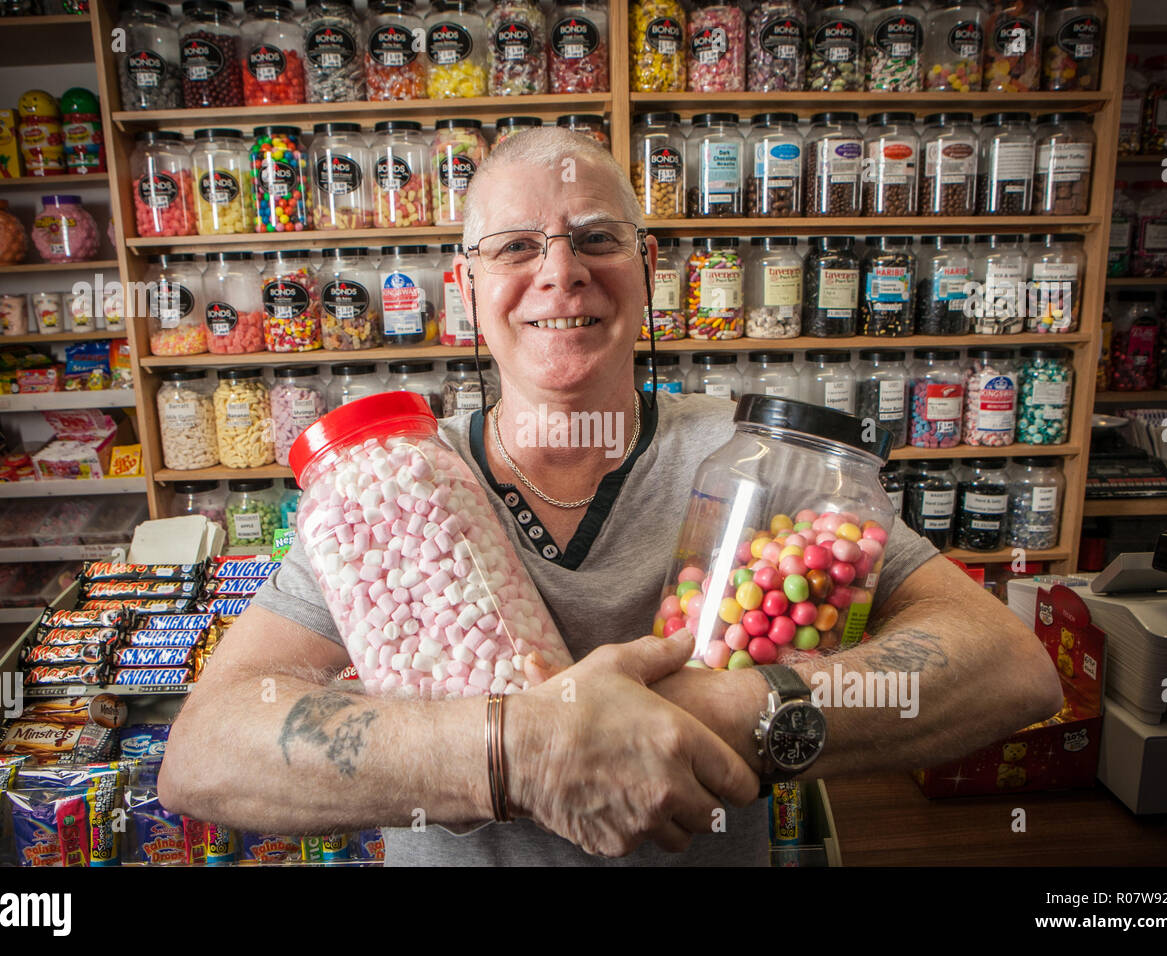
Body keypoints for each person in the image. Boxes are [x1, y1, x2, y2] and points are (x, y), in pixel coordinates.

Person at [159, 128, 1063, 865]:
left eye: (596, 237)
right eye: (517, 247)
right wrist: (528, 747)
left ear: (647, 264)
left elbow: (1008, 666)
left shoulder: (754, 456)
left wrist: (711, 715)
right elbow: (204, 755)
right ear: (465, 289)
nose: (561, 272)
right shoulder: (391, 489)